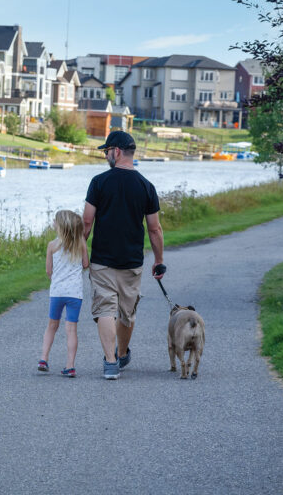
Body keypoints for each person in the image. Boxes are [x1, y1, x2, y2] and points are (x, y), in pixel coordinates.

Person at [82, 130, 165, 380]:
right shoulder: (146, 186)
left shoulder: (98, 182)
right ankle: (121, 352)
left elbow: (87, 222)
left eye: (107, 151)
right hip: (131, 262)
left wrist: (77, 251)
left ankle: (110, 362)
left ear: (116, 152)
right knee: (127, 313)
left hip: (102, 260)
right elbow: (154, 228)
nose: (106, 155)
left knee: (105, 309)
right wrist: (159, 261)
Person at [37, 209, 90, 378]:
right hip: (75, 293)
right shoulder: (80, 243)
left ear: (60, 226)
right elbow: (86, 264)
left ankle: (43, 359)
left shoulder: (52, 246)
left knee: (52, 326)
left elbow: (48, 271)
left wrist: (57, 279)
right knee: (71, 329)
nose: (53, 222)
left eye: (55, 221)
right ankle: (70, 365)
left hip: (57, 292)